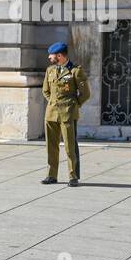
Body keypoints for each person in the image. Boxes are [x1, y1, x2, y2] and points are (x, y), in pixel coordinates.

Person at [42, 40, 90, 187]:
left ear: (60, 56)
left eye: (52, 55)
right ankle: (51, 175)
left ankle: (73, 176)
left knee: (70, 146)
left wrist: (74, 105)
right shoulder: (50, 70)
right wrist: (53, 102)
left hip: (68, 114)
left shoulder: (76, 70)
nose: (50, 58)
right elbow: (46, 90)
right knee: (51, 145)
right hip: (51, 113)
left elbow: (85, 93)